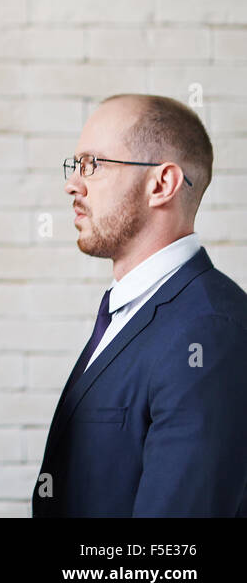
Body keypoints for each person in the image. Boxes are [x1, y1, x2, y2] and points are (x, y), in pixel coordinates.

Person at [35, 94, 247, 517]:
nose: (72, 184)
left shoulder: (211, 330)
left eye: (93, 164)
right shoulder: (129, 310)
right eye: (75, 166)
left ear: (162, 184)